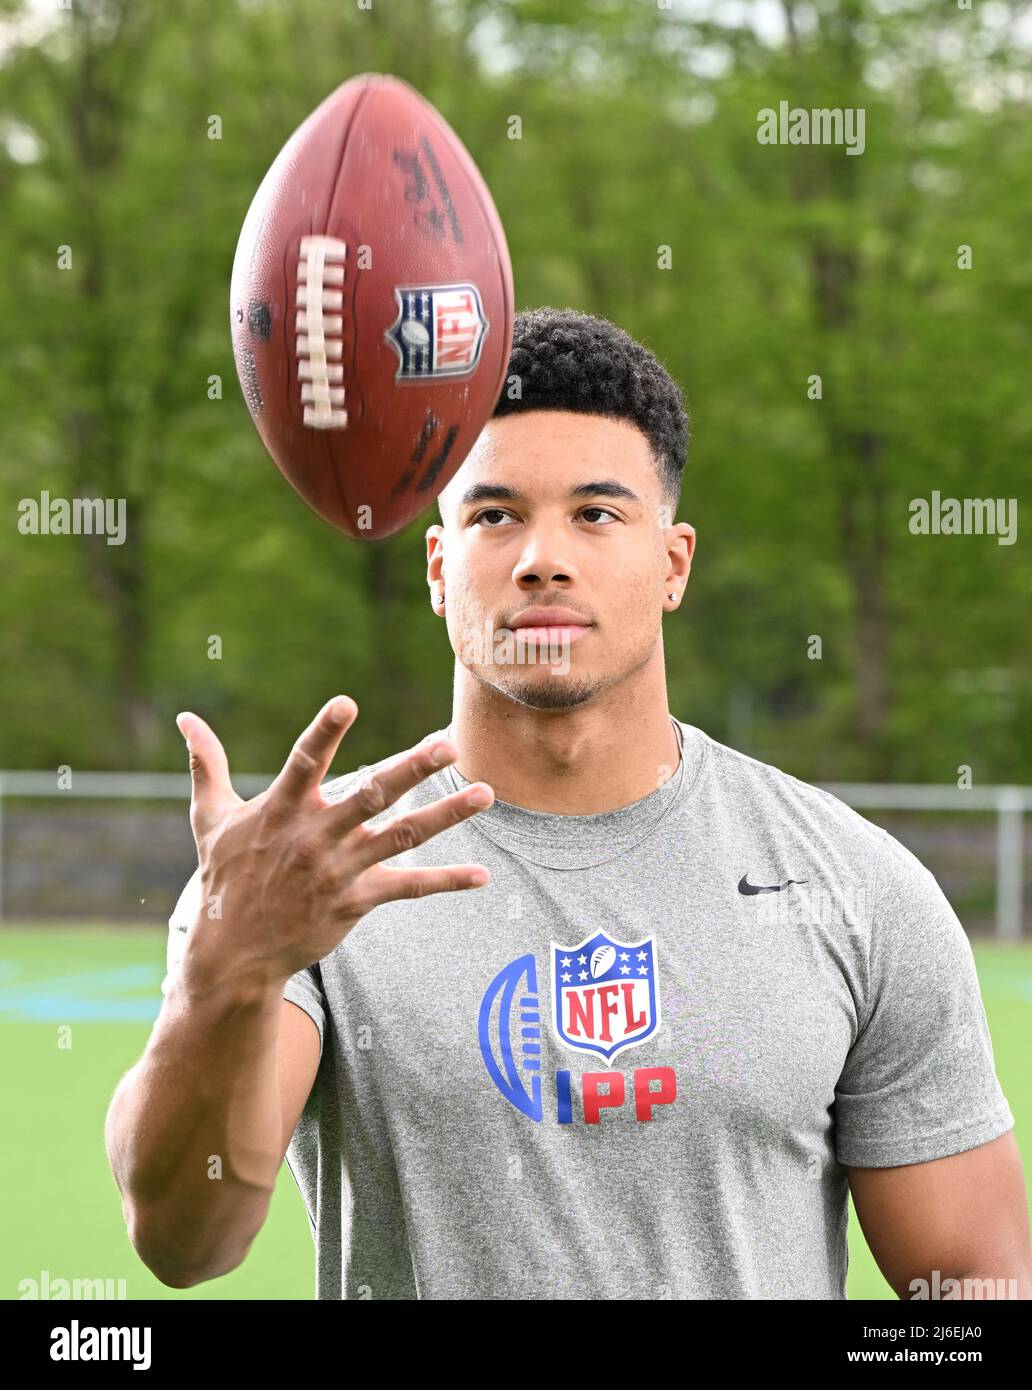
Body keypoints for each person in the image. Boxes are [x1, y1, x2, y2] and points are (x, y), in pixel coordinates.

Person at [106, 307, 1031, 1300]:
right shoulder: (308, 873)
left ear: (672, 562)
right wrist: (229, 971)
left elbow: (972, 1278)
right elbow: (183, 1241)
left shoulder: (853, 882)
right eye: (495, 513)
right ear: (437, 566)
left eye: (596, 512)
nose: (542, 556)